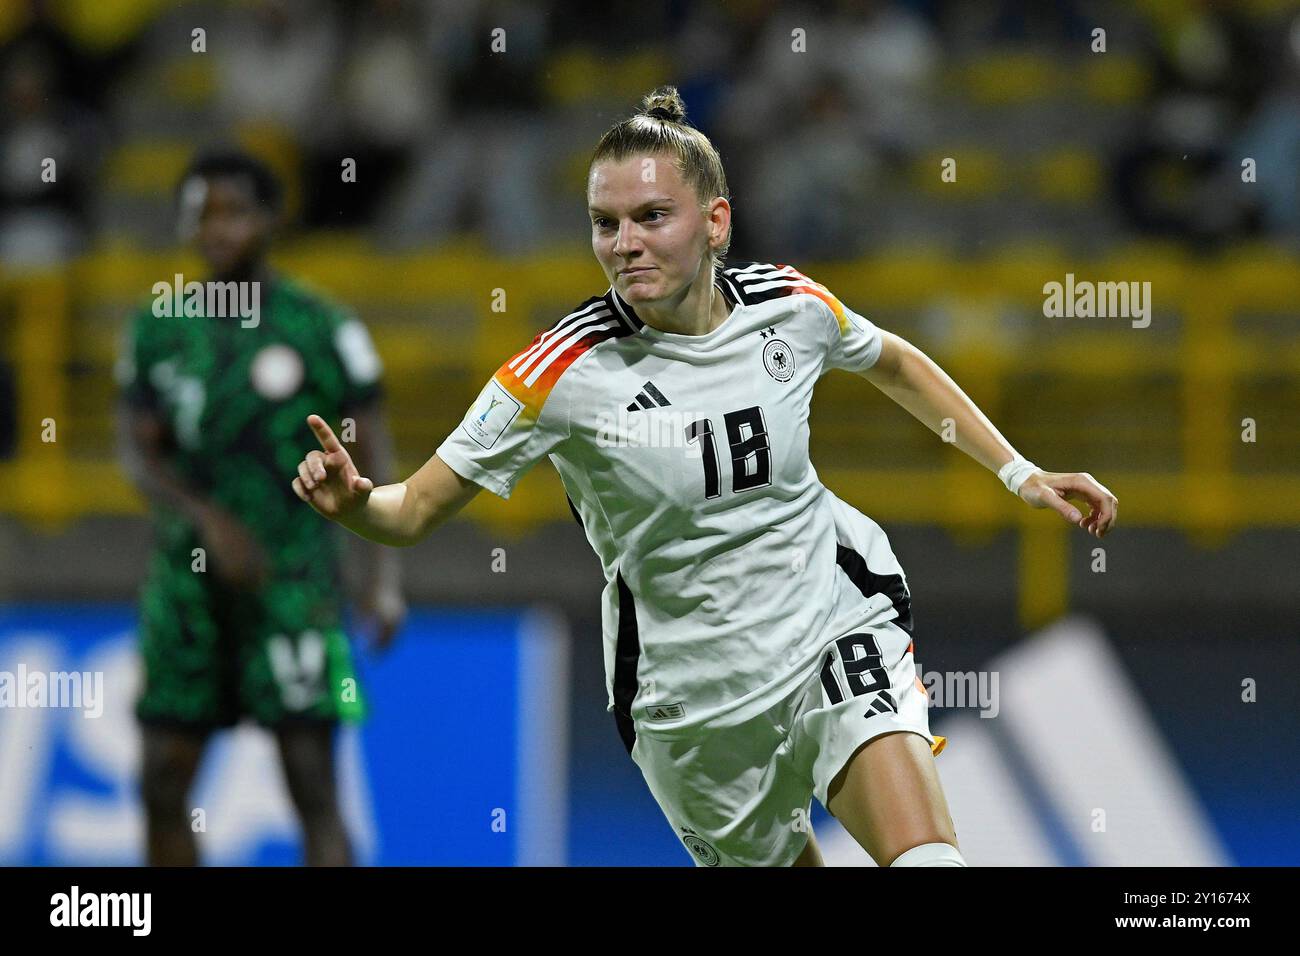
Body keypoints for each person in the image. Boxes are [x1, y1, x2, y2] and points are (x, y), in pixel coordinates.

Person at [290, 87, 1118, 867]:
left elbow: (894, 362)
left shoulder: (790, 308)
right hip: (689, 702)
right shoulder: (559, 372)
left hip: (831, 627)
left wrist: (1018, 471)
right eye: (605, 223)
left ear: (716, 220)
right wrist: (355, 503)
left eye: (653, 216)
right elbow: (412, 511)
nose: (626, 244)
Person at [115, 149, 405, 866]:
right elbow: (136, 454)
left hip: (294, 583)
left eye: (234, 211)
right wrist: (207, 519)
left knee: (313, 790)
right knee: (158, 780)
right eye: (200, 213)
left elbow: (371, 452)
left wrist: (383, 576)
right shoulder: (158, 328)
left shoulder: (322, 326)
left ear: (271, 218)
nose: (217, 229)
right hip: (189, 589)